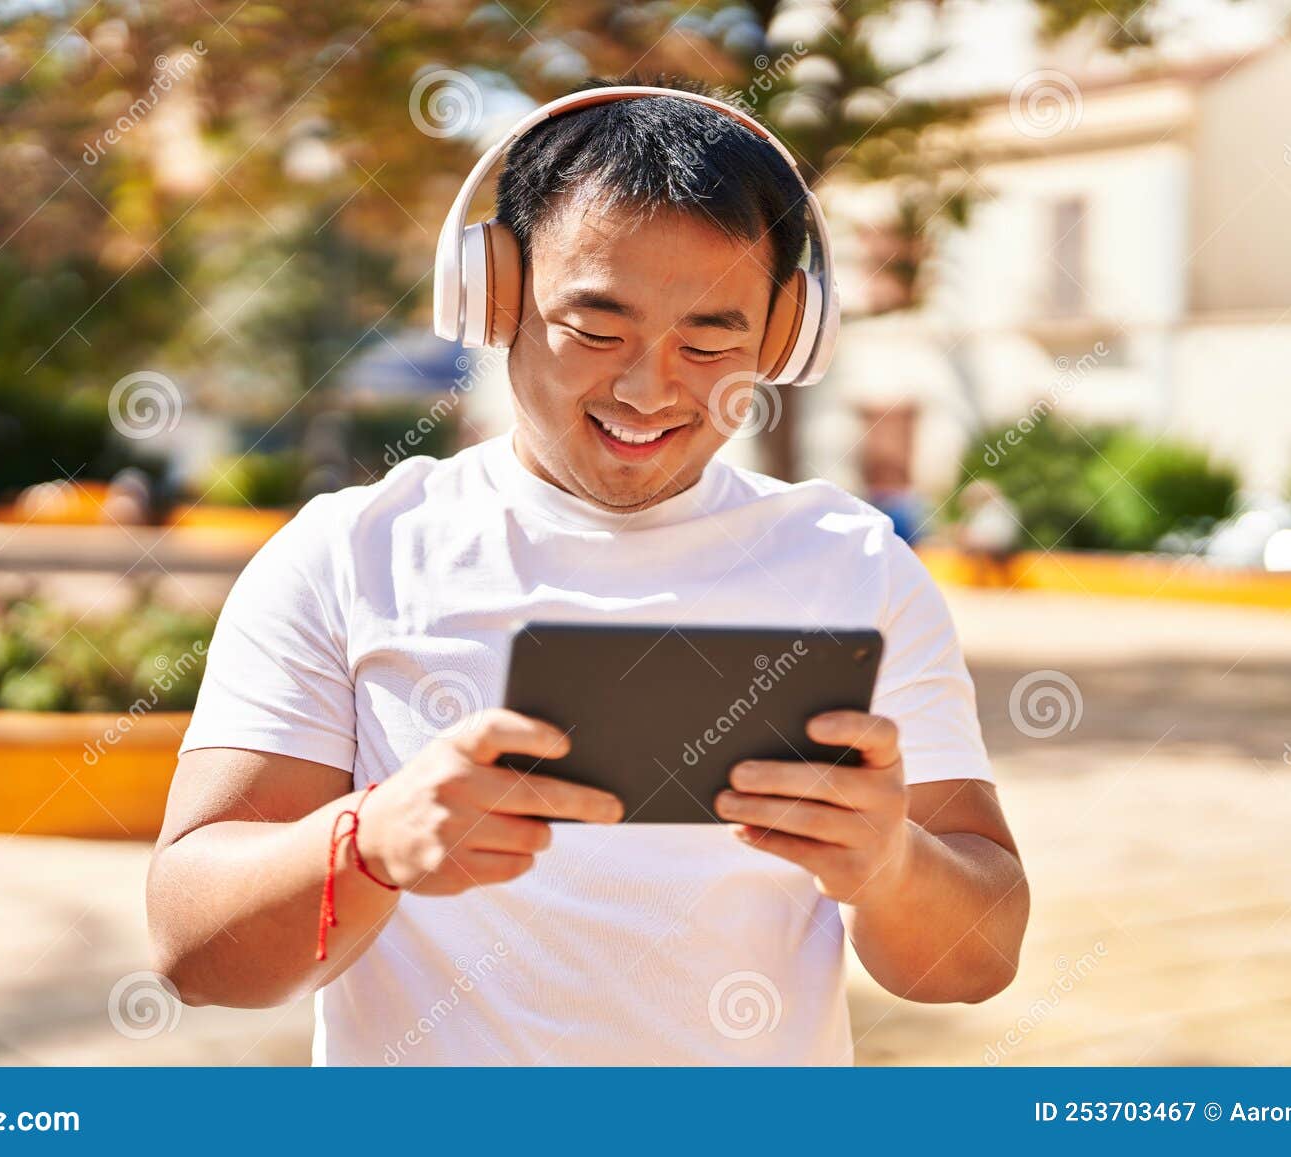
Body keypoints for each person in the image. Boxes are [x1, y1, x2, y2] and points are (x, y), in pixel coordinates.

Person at [146, 78, 1028, 1066]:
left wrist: (893, 866)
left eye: (711, 337)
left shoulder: (854, 563)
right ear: (494, 295)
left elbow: (974, 960)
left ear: (784, 336)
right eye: (596, 328)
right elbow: (194, 952)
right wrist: (370, 841)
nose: (649, 387)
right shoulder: (348, 553)